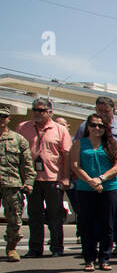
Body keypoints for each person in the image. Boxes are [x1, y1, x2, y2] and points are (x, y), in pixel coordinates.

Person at [74, 96, 117, 256]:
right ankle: (93, 247)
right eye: (99, 111)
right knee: (92, 215)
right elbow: (76, 152)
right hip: (89, 180)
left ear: (113, 110)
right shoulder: (84, 128)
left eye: (105, 111)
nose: (102, 114)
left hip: (114, 179)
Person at [17, 98, 72, 258]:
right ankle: (35, 248)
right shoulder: (23, 127)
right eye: (34, 110)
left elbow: (67, 155)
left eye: (41, 110)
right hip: (31, 179)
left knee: (54, 216)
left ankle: (56, 247)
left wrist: (66, 177)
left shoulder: (60, 130)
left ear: (50, 112)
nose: (37, 113)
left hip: (53, 178)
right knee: (34, 215)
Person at [69, 111, 117, 271]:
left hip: (108, 188)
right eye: (93, 125)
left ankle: (105, 258)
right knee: (87, 224)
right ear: (88, 126)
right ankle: (89, 259)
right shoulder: (79, 143)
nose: (97, 128)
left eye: (101, 126)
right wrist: (91, 181)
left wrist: (100, 179)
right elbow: (75, 165)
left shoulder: (111, 144)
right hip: (86, 189)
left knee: (107, 224)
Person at [0, 104, 34, 261]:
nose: (0, 119)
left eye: (3, 116)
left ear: (8, 119)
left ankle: (11, 248)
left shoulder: (18, 139)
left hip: (12, 184)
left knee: (14, 219)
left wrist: (29, 182)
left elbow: (27, 164)